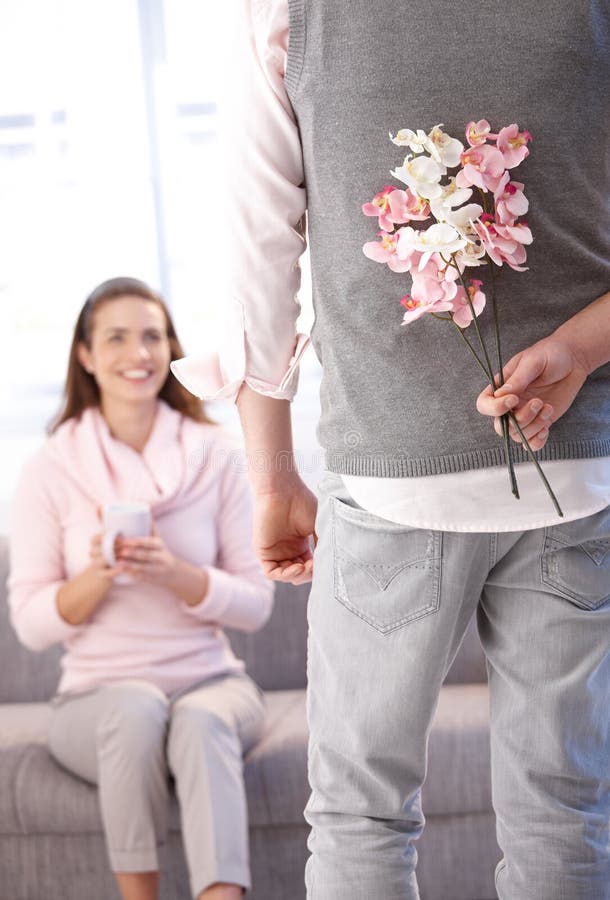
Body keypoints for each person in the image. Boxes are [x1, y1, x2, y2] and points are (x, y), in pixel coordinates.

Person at [170, 4, 610, 899]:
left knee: (361, 816)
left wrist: (272, 476)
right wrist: (574, 353)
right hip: (575, 474)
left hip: (386, 474)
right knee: (565, 811)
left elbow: (258, 248)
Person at [8, 276, 274, 900]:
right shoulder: (50, 469)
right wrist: (99, 575)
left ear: (171, 349)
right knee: (135, 707)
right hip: (94, 699)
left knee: (202, 719)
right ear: (86, 355)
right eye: (118, 338)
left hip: (212, 682)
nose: (140, 354)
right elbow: (30, 622)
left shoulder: (216, 454)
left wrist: (176, 576)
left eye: (153, 336)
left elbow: (258, 603)